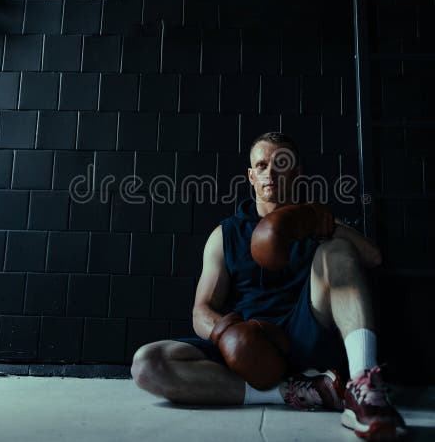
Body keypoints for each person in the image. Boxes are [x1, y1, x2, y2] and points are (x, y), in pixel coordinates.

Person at [131, 132, 407, 441]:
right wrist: (226, 334)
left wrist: (320, 222)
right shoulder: (225, 235)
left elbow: (373, 257)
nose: (270, 173)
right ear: (251, 176)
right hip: (247, 343)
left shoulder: (314, 221)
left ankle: (363, 387)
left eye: (281, 164)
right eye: (261, 165)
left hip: (306, 334)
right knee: (147, 364)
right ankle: (303, 392)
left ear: (297, 173)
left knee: (338, 252)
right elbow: (200, 311)